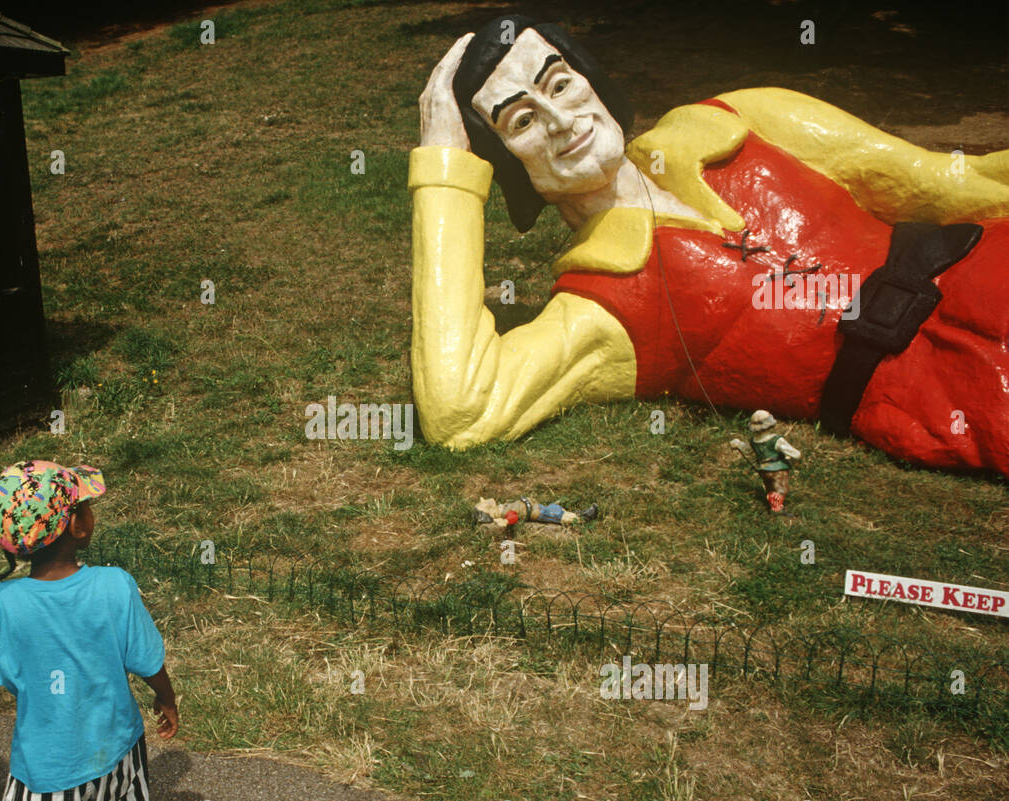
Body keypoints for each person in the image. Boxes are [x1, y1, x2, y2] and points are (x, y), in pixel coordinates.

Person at [410, 16, 1009, 476]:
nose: (563, 122)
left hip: (984, 265)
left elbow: (947, 183)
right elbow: (461, 409)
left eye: (561, 85)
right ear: (508, 169)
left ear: (592, 80)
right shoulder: (606, 303)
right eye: (522, 121)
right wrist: (444, 171)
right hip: (939, 392)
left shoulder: (737, 119)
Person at [0, 460, 178, 801]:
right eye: (85, 506)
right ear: (77, 526)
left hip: (48, 769)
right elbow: (149, 662)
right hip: (119, 751)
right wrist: (167, 698)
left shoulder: (1, 606)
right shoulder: (114, 586)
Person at [731, 410, 802, 513]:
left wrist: (738, 444)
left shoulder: (754, 441)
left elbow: (747, 449)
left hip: (764, 470)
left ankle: (772, 501)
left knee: (770, 487)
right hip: (778, 469)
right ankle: (776, 508)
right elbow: (794, 453)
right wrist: (794, 455)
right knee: (781, 489)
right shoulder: (776, 440)